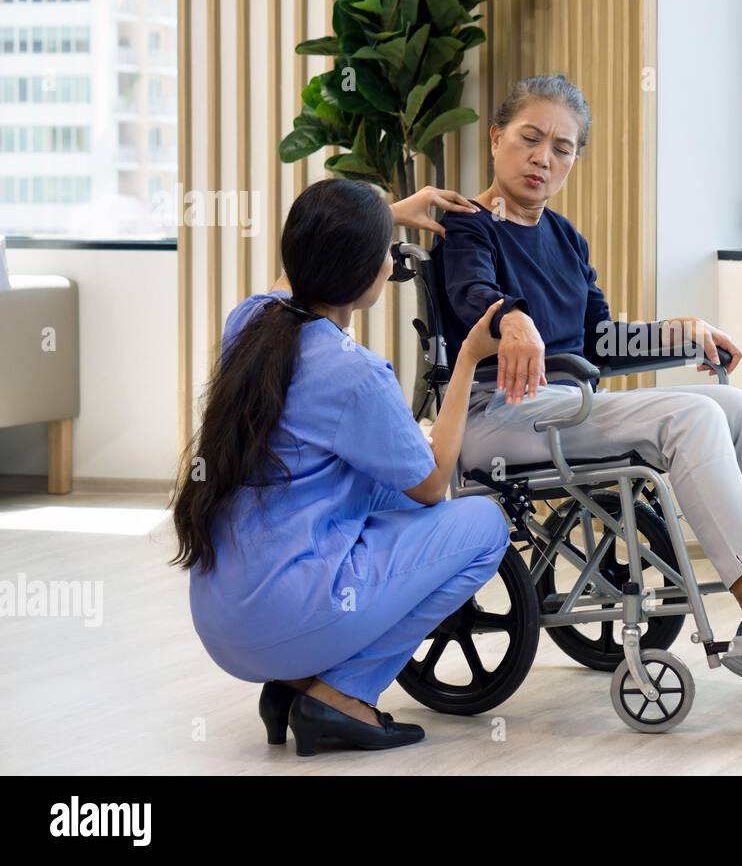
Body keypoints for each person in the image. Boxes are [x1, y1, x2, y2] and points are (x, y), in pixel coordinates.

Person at [440, 75, 742, 671]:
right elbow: (470, 292)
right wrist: (509, 318)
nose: (543, 157)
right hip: (498, 415)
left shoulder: (566, 240)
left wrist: (677, 335)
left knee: (736, 408)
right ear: (496, 137)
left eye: (563, 148)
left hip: (566, 408)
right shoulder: (468, 224)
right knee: (689, 416)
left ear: (574, 159)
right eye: (530, 138)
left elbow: (599, 342)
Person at [171, 178, 505, 756]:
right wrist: (471, 357)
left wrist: (381, 216)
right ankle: (341, 692)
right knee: (484, 526)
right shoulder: (355, 373)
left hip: (221, 623)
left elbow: (297, 275)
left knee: (380, 492)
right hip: (283, 618)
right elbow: (432, 486)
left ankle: (297, 681)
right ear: (372, 273)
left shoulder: (248, 322)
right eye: (384, 254)